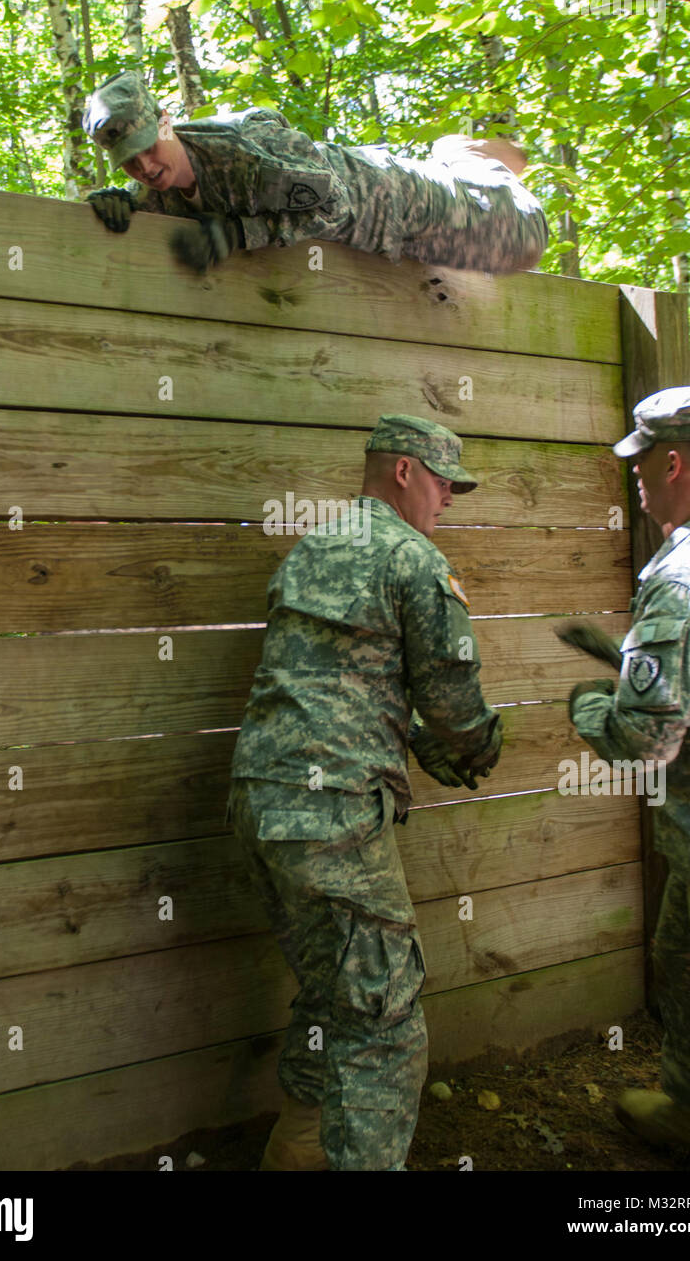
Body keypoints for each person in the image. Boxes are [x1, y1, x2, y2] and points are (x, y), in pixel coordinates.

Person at [226, 413, 503, 1171]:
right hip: (332, 817)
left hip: (259, 801)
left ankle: (299, 1149)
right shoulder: (414, 560)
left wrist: (412, 739)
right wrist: (479, 746)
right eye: (444, 479)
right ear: (404, 472)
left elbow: (340, 684)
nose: (449, 497)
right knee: (384, 1016)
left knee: (333, 987)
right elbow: (451, 702)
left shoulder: (314, 547)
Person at [567, 384, 690, 1165]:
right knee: (679, 967)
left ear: (671, 462)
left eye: (640, 464)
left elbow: (644, 746)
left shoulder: (681, 581)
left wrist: (588, 706)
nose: (635, 478)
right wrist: (626, 662)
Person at [81, 70, 548, 276]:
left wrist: (242, 235)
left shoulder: (244, 145)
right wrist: (115, 208)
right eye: (128, 161)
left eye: (147, 148)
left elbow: (337, 203)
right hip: (386, 245)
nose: (144, 167)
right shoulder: (156, 189)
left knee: (525, 239)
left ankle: (469, 159)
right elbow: (144, 216)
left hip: (395, 197)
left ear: (166, 122)